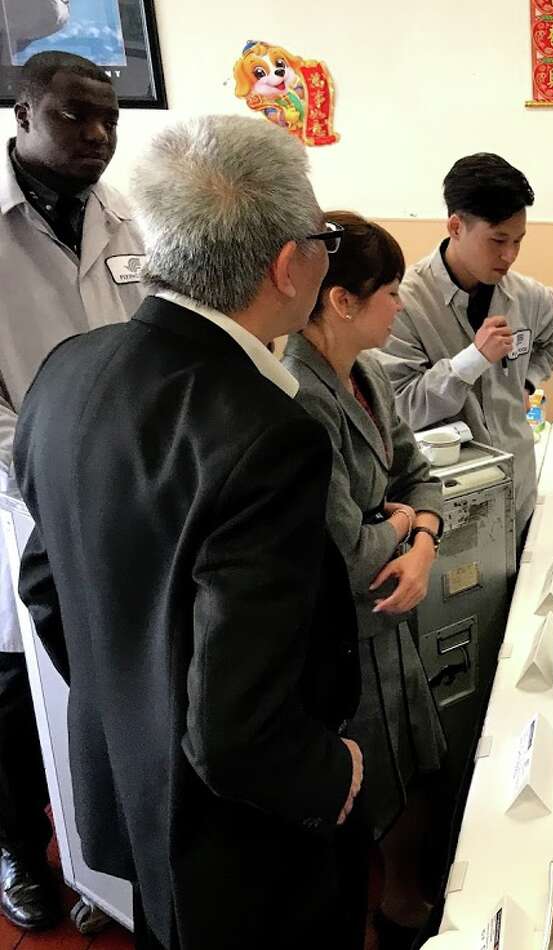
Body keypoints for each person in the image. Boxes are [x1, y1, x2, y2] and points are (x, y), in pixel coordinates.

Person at [14, 115, 365, 950]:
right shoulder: (267, 432)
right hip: (246, 827)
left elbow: (44, 583)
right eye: (323, 239)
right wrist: (334, 774)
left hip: (127, 774)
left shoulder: (70, 368)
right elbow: (236, 732)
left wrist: (135, 693)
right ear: (289, 265)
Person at [0, 51, 145, 931]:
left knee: (109, 685)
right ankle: (22, 848)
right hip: (21, 507)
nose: (96, 136)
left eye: (110, 121)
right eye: (74, 118)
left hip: (130, 499)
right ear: (22, 112)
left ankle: (103, 867)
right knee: (17, 696)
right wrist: (64, 482)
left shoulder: (130, 219)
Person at [281, 211, 448, 949]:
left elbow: (419, 475)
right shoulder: (298, 394)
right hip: (341, 634)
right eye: (389, 293)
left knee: (414, 763)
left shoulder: (370, 372)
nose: (402, 306)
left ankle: (407, 903)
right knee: (359, 788)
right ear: (341, 299)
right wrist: (401, 528)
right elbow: (347, 547)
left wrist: (423, 537)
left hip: (393, 610)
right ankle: (377, 918)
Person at [379, 153, 553, 543]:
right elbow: (400, 409)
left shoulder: (526, 296)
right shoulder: (404, 302)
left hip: (518, 485)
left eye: (518, 241)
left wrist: (528, 381)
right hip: (446, 501)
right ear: (456, 226)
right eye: (497, 240)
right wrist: (472, 360)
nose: (509, 255)